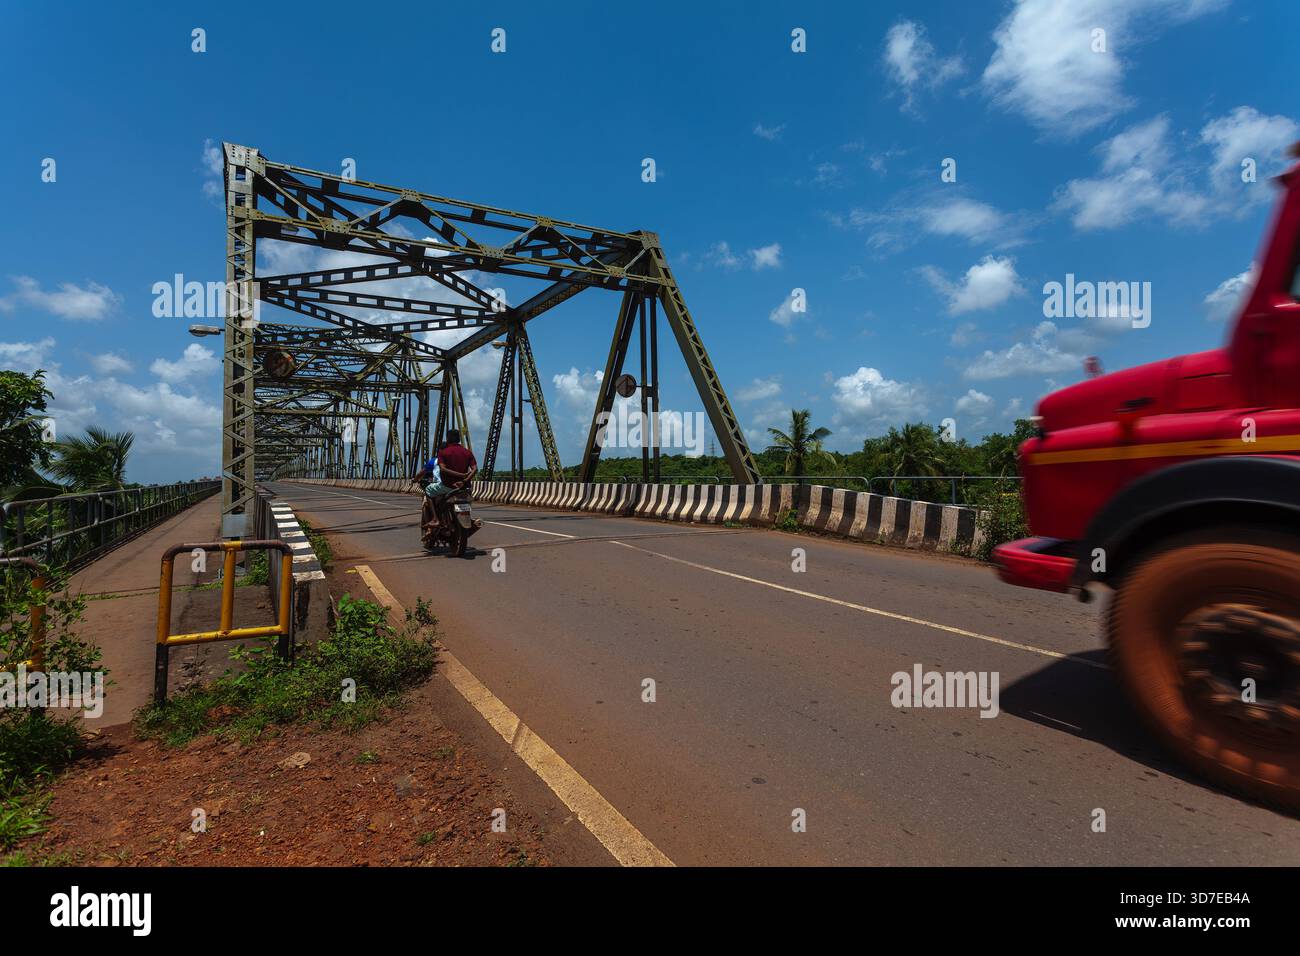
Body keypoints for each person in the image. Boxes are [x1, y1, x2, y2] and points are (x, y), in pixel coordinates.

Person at [413, 430, 477, 533]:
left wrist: (459, 476)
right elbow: (475, 469)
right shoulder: (467, 452)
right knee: (466, 500)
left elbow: (443, 469)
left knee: (428, 491)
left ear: (447, 439)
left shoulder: (443, 453)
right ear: (459, 439)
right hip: (464, 487)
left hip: (448, 486)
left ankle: (435, 519)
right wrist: (464, 480)